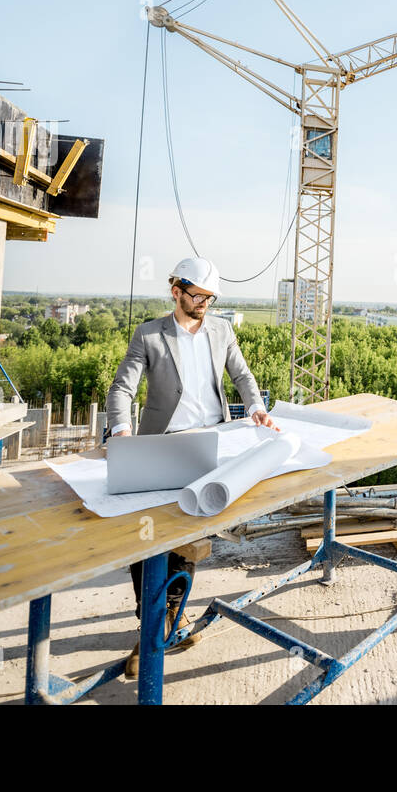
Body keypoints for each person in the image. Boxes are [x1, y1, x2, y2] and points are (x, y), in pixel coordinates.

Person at [106, 256, 279, 677]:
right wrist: (123, 431)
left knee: (189, 528)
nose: (203, 303)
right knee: (146, 535)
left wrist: (256, 408)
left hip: (210, 442)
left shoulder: (221, 330)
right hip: (162, 442)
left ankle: (166, 621)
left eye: (209, 297)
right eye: (196, 295)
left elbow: (242, 375)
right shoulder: (149, 334)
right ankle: (165, 622)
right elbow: (121, 388)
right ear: (176, 291)